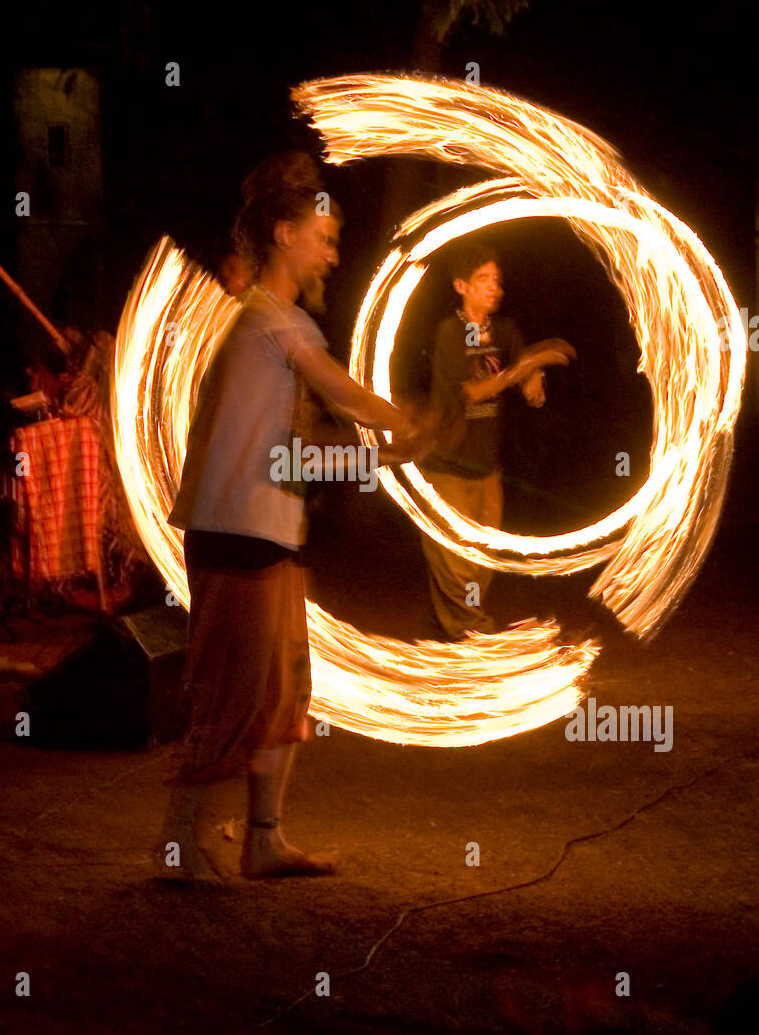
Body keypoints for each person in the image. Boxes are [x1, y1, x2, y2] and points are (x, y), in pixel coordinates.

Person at [155, 151, 428, 885]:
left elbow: (293, 459)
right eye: (325, 236)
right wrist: (400, 421)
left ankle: (264, 840)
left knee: (285, 693)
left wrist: (384, 461)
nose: (335, 253)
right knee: (232, 693)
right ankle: (179, 844)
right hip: (236, 535)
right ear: (283, 233)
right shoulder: (273, 324)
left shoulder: (274, 327)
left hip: (265, 531)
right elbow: (340, 394)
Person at [419, 242, 575, 638]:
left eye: (497, 280)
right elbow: (472, 391)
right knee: (455, 560)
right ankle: (472, 634)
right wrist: (525, 366)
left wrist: (532, 379)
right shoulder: (449, 333)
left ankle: (455, 631)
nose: (494, 288)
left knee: (482, 556)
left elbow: (520, 365)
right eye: (483, 280)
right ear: (460, 286)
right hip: (447, 461)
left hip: (486, 464)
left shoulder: (504, 330)